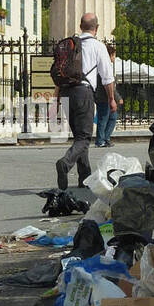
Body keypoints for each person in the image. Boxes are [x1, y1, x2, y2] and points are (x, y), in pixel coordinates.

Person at [56, 12, 116, 189]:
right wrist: (111, 99)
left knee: (79, 137)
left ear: (81, 26)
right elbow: (107, 77)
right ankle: (65, 163)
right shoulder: (98, 46)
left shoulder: (71, 44)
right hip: (84, 92)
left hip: (66, 91)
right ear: (96, 29)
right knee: (84, 137)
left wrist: (57, 97)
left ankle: (84, 177)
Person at [94, 44, 123, 147]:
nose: (114, 57)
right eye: (113, 55)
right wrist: (116, 98)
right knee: (103, 119)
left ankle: (106, 138)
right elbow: (109, 85)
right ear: (109, 55)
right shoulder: (104, 67)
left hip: (105, 97)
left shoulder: (107, 66)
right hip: (103, 97)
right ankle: (100, 140)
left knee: (112, 117)